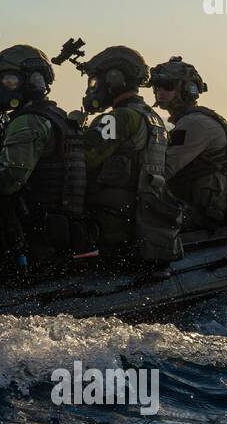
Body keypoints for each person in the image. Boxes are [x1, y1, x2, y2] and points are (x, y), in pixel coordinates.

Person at [0, 44, 90, 267]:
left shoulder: (28, 121)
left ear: (29, 82)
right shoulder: (59, 116)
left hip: (35, 234)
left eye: (9, 80)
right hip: (62, 229)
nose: (0, 87)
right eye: (0, 80)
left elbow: (8, 179)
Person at [78, 45, 183, 267]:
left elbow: (84, 160)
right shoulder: (153, 118)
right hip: (144, 217)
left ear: (114, 78)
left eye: (96, 82)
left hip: (113, 222)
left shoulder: (118, 118)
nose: (93, 89)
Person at [149, 57, 227, 229]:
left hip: (206, 214)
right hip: (204, 207)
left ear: (185, 90)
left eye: (168, 86)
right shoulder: (193, 120)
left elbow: (163, 169)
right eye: (157, 86)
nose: (160, 91)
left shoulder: (194, 124)